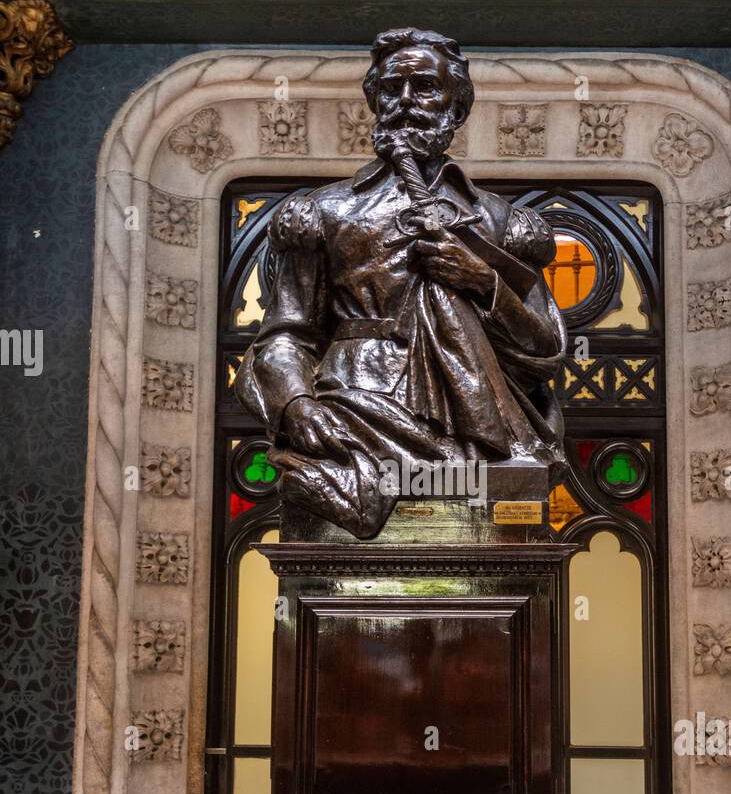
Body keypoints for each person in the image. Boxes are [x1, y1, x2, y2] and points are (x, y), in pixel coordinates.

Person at [236, 26, 567, 538]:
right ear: (375, 102)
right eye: (392, 88)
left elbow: (544, 350)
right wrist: (295, 403)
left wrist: (484, 283)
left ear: (456, 108)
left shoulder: (500, 223)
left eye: (425, 87)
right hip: (356, 404)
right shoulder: (326, 211)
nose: (407, 100)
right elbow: (286, 335)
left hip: (474, 423)